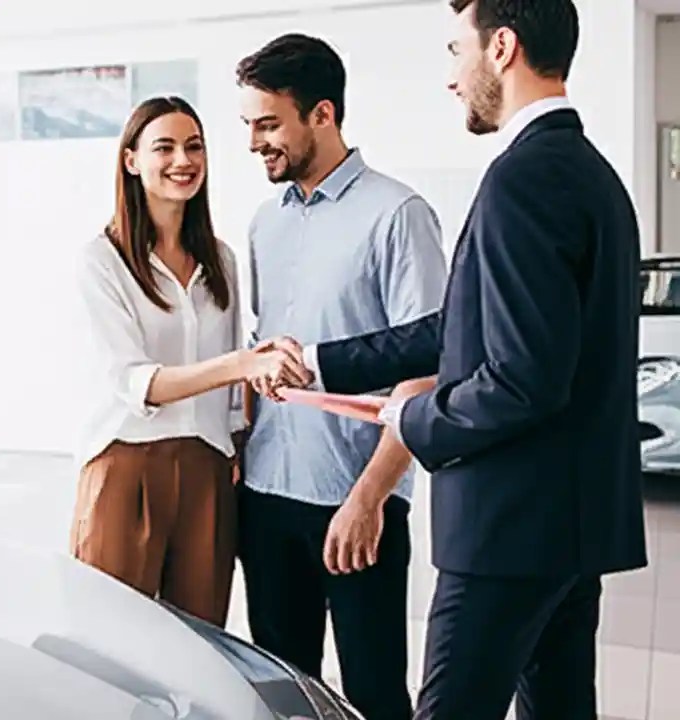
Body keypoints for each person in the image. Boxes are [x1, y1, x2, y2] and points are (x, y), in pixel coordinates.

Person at [248, 2, 649, 718]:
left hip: (508, 530)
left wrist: (412, 417)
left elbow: (523, 381)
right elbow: (462, 328)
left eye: (454, 50)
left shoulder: (524, 181)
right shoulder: (588, 173)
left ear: (501, 47)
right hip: (569, 525)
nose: (450, 78)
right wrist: (316, 360)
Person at [233, 34, 446, 720]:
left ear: (322, 114)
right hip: (266, 498)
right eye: (248, 126)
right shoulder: (265, 223)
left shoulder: (397, 214)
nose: (255, 143)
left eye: (268, 124)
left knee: (374, 695)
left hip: (357, 502)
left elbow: (427, 367)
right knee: (283, 691)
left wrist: (370, 498)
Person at [70, 95, 308, 627]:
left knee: (201, 642)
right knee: (110, 642)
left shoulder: (220, 258)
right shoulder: (101, 260)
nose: (184, 160)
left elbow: (229, 398)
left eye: (194, 146)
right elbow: (136, 382)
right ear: (131, 160)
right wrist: (243, 364)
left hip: (208, 471)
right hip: (126, 467)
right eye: (165, 147)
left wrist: (239, 437)